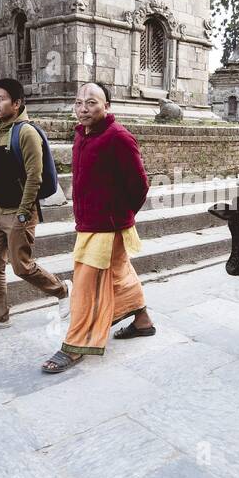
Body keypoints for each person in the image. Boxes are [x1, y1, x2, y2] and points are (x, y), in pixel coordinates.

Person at [42, 81, 154, 373]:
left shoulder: (119, 137)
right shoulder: (82, 134)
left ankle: (76, 345)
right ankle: (142, 321)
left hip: (107, 227)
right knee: (119, 274)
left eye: (91, 102)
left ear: (107, 106)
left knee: (85, 286)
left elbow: (140, 185)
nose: (83, 108)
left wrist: (121, 215)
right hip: (88, 222)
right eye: (79, 102)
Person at [0, 78, 69, 331]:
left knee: (22, 267)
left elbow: (36, 176)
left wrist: (23, 213)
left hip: (19, 213)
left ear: (17, 103)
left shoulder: (27, 132)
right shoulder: (0, 130)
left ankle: (63, 290)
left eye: (1, 99)